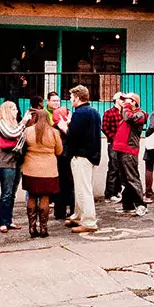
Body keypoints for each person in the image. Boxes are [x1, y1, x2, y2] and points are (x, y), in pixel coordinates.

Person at [21, 107, 63, 237]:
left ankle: (32, 227)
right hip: (49, 170)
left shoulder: (28, 131)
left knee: (32, 196)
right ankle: (44, 228)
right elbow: (59, 151)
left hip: (30, 168)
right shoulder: (54, 132)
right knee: (45, 197)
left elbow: (22, 147)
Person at [66, 85, 101, 233]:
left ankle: (89, 222)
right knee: (82, 187)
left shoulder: (79, 113)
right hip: (91, 154)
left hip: (81, 155)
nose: (70, 99)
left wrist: (65, 126)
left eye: (71, 97)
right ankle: (78, 215)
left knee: (83, 189)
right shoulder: (94, 111)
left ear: (78, 98)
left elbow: (73, 135)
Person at [111, 92, 149, 216]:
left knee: (132, 178)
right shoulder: (126, 113)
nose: (124, 103)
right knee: (124, 179)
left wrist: (126, 107)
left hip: (129, 151)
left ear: (134, 102)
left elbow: (129, 118)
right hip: (121, 150)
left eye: (127, 100)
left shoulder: (140, 114)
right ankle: (128, 205)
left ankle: (141, 205)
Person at [0, 100, 24, 232]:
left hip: (16, 160)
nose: (16, 111)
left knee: (12, 193)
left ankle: (9, 220)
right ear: (7, 110)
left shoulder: (15, 124)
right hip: (5, 162)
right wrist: (23, 123)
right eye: (13, 109)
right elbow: (12, 134)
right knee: (6, 193)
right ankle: (3, 222)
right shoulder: (2, 123)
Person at [46, 91, 74, 221]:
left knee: (61, 185)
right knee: (69, 184)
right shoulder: (64, 127)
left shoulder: (55, 127)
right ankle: (69, 209)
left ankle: (60, 211)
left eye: (58, 100)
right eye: (54, 100)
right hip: (65, 157)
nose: (56, 103)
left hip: (59, 156)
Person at [101, 93, 125, 203]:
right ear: (115, 100)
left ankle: (117, 191)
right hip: (113, 144)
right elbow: (105, 128)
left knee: (120, 168)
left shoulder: (125, 113)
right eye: (121, 99)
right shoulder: (109, 113)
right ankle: (110, 193)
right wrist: (115, 138)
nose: (123, 101)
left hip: (122, 144)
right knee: (113, 168)